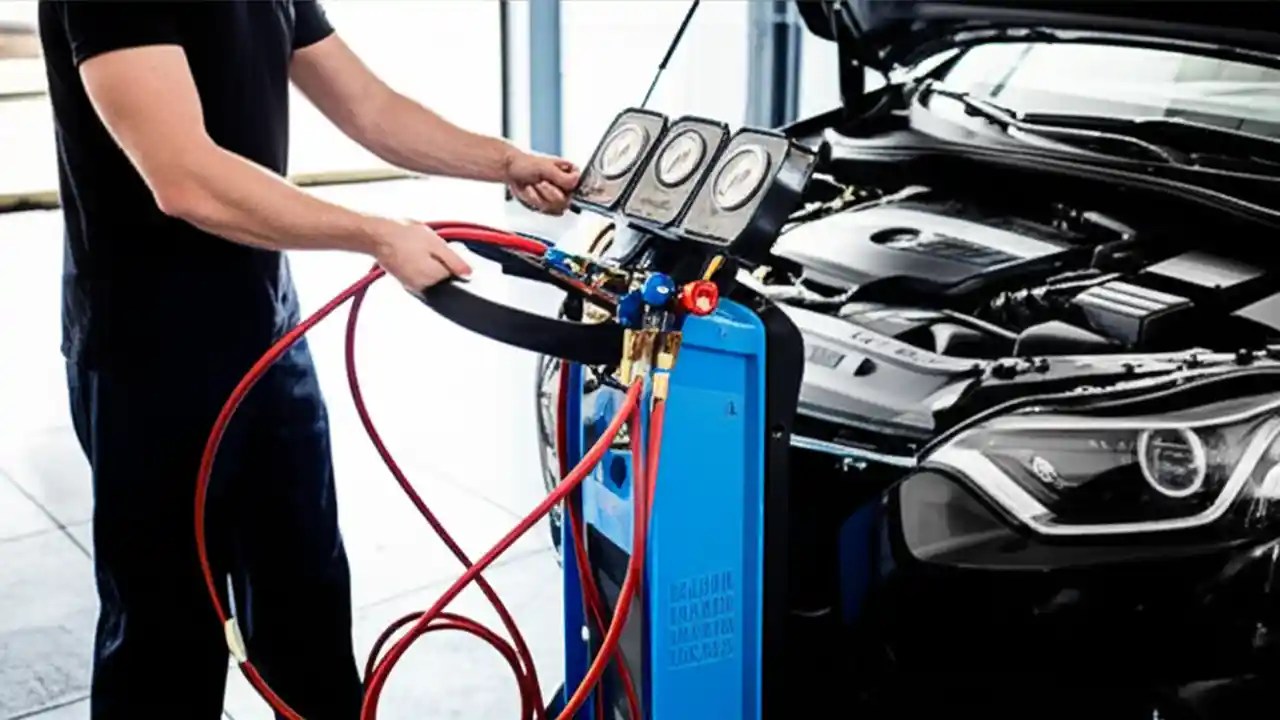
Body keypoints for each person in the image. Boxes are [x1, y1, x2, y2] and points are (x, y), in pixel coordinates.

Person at [37, 2, 580, 717]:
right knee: (166, 635)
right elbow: (184, 176)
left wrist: (505, 161)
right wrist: (377, 234)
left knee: (308, 610)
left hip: (267, 336)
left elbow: (370, 107)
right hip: (151, 355)